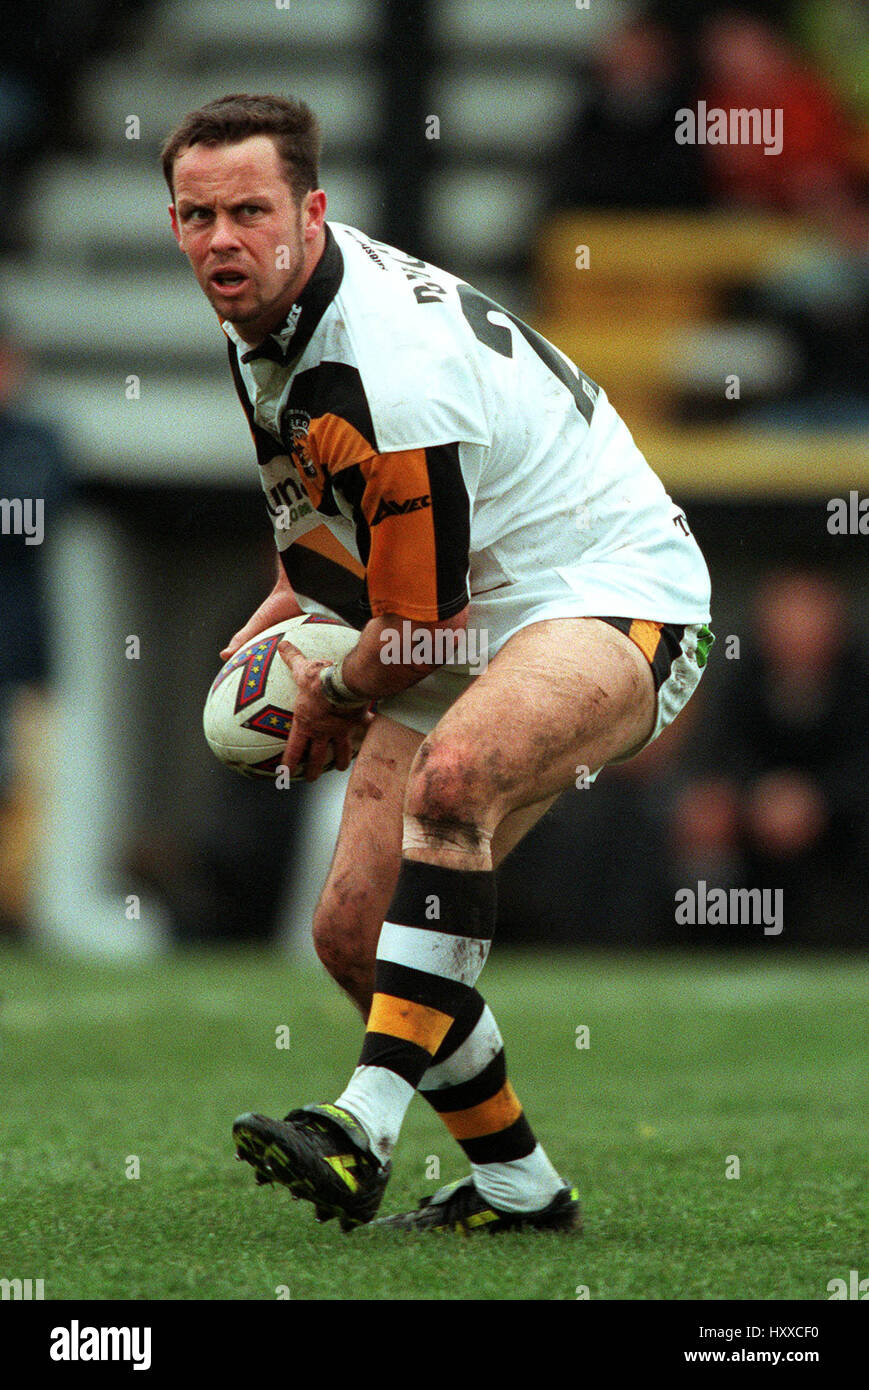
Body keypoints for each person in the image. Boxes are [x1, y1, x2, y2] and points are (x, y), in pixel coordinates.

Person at [160, 94, 713, 1234]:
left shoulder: (388, 369)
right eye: (195, 214)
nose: (221, 239)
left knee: (451, 782)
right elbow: (316, 487)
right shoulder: (257, 309)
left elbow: (417, 632)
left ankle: (360, 1126)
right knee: (353, 933)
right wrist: (300, 588)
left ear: (310, 212)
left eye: (249, 210)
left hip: (608, 593)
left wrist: (332, 686)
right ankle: (517, 1186)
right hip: (463, 605)